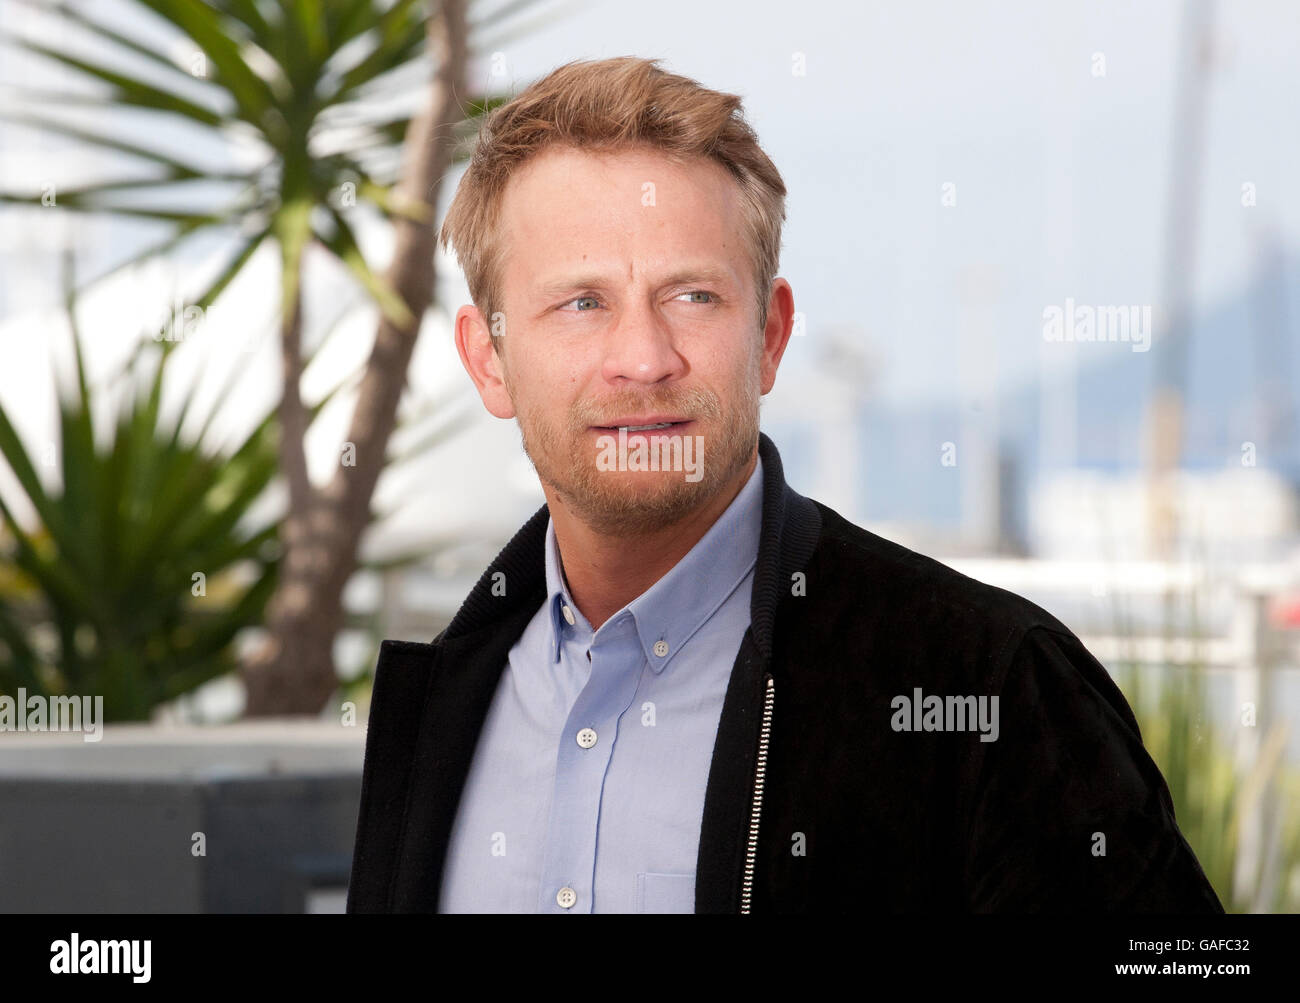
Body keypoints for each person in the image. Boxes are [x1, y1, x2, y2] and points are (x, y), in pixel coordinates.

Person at [345, 56, 1223, 914]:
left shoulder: (992, 691)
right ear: (487, 360)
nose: (644, 359)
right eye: (582, 303)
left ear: (770, 335)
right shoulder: (444, 703)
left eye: (692, 295)